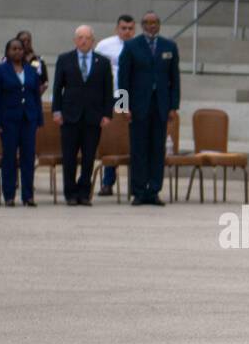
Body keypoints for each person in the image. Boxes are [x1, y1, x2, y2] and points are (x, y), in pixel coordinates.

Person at [118, 11, 179, 206]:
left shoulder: (169, 46)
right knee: (139, 149)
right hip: (138, 106)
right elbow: (123, 78)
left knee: (157, 148)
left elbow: (174, 79)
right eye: (148, 23)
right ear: (142, 25)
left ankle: (154, 190)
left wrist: (173, 106)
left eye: (155, 23)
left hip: (160, 105)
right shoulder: (131, 46)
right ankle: (138, 191)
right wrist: (123, 106)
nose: (152, 26)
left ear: (159, 25)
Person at [53, 25, 113, 206]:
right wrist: (57, 111)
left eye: (87, 38)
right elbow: (57, 87)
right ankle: (70, 193)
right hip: (70, 116)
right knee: (69, 157)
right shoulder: (65, 59)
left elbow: (108, 90)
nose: (83, 41)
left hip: (93, 117)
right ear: (75, 40)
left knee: (88, 158)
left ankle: (84, 192)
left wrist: (107, 114)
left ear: (93, 41)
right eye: (80, 37)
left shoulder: (102, 62)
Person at [0, 37, 43, 207]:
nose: (17, 51)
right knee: (10, 158)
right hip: (8, 120)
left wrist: (38, 119)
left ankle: (28, 196)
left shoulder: (31, 70)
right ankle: (9, 195)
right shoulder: (0, 70)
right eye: (13, 48)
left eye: (20, 49)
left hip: (28, 119)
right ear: (7, 51)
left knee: (28, 157)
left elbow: (36, 96)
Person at [94, 14, 134, 196]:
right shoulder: (104, 45)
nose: (126, 32)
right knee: (111, 136)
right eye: (123, 28)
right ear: (117, 29)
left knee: (126, 136)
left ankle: (135, 183)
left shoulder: (138, 46)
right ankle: (108, 181)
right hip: (108, 94)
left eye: (130, 28)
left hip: (126, 95)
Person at [16, 31, 48, 96]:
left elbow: (44, 82)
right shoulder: (9, 59)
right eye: (23, 41)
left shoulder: (37, 60)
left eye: (29, 41)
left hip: (31, 99)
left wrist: (35, 96)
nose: (26, 43)